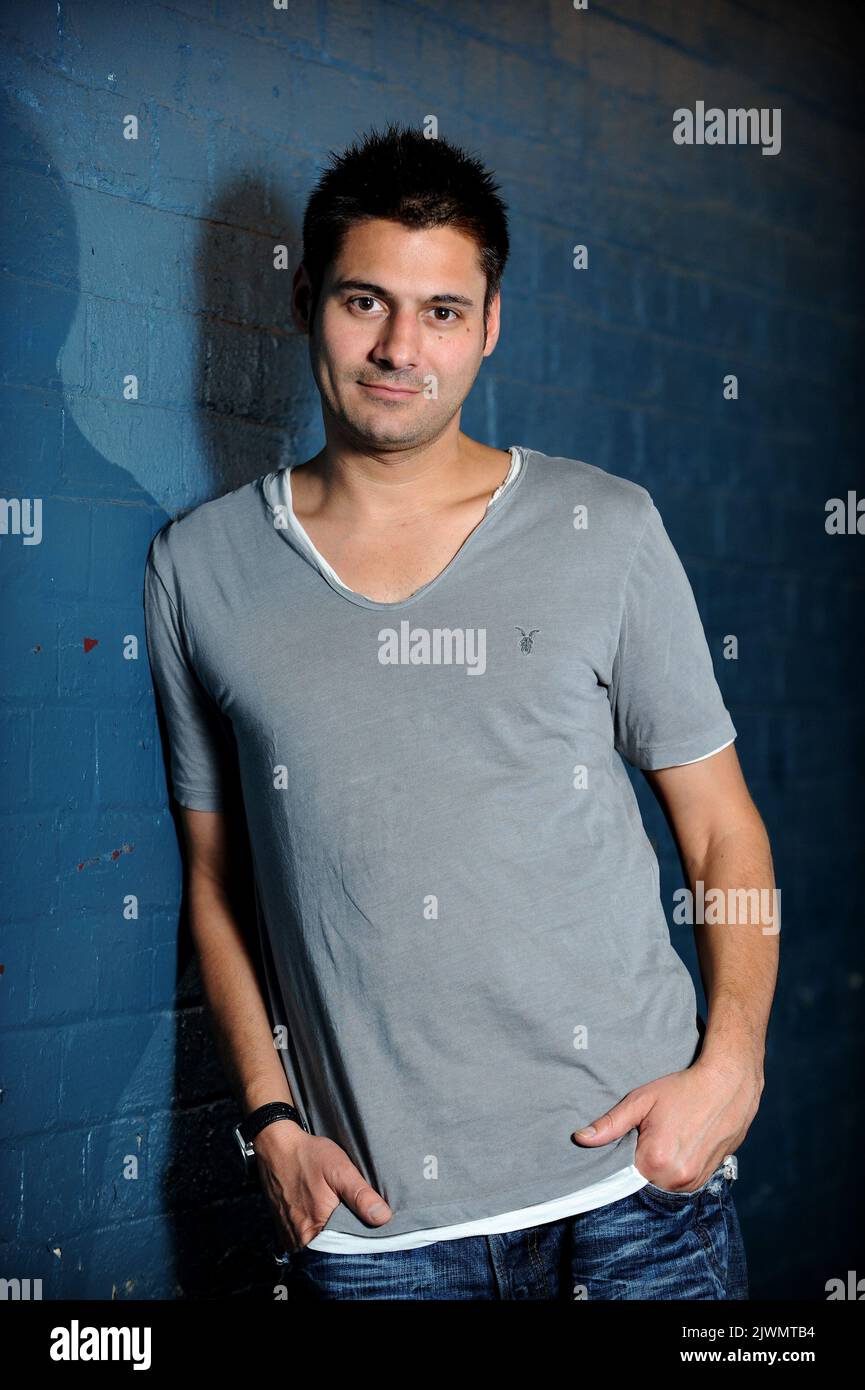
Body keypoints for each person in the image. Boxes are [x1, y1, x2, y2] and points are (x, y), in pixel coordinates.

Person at [143, 122, 777, 1300]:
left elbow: (720, 831)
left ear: (488, 326)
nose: (399, 348)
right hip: (381, 1235)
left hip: (634, 1199)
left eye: (441, 312)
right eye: (364, 301)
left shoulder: (609, 529)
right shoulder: (199, 568)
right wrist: (270, 1120)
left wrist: (730, 1065)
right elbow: (217, 883)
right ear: (305, 303)